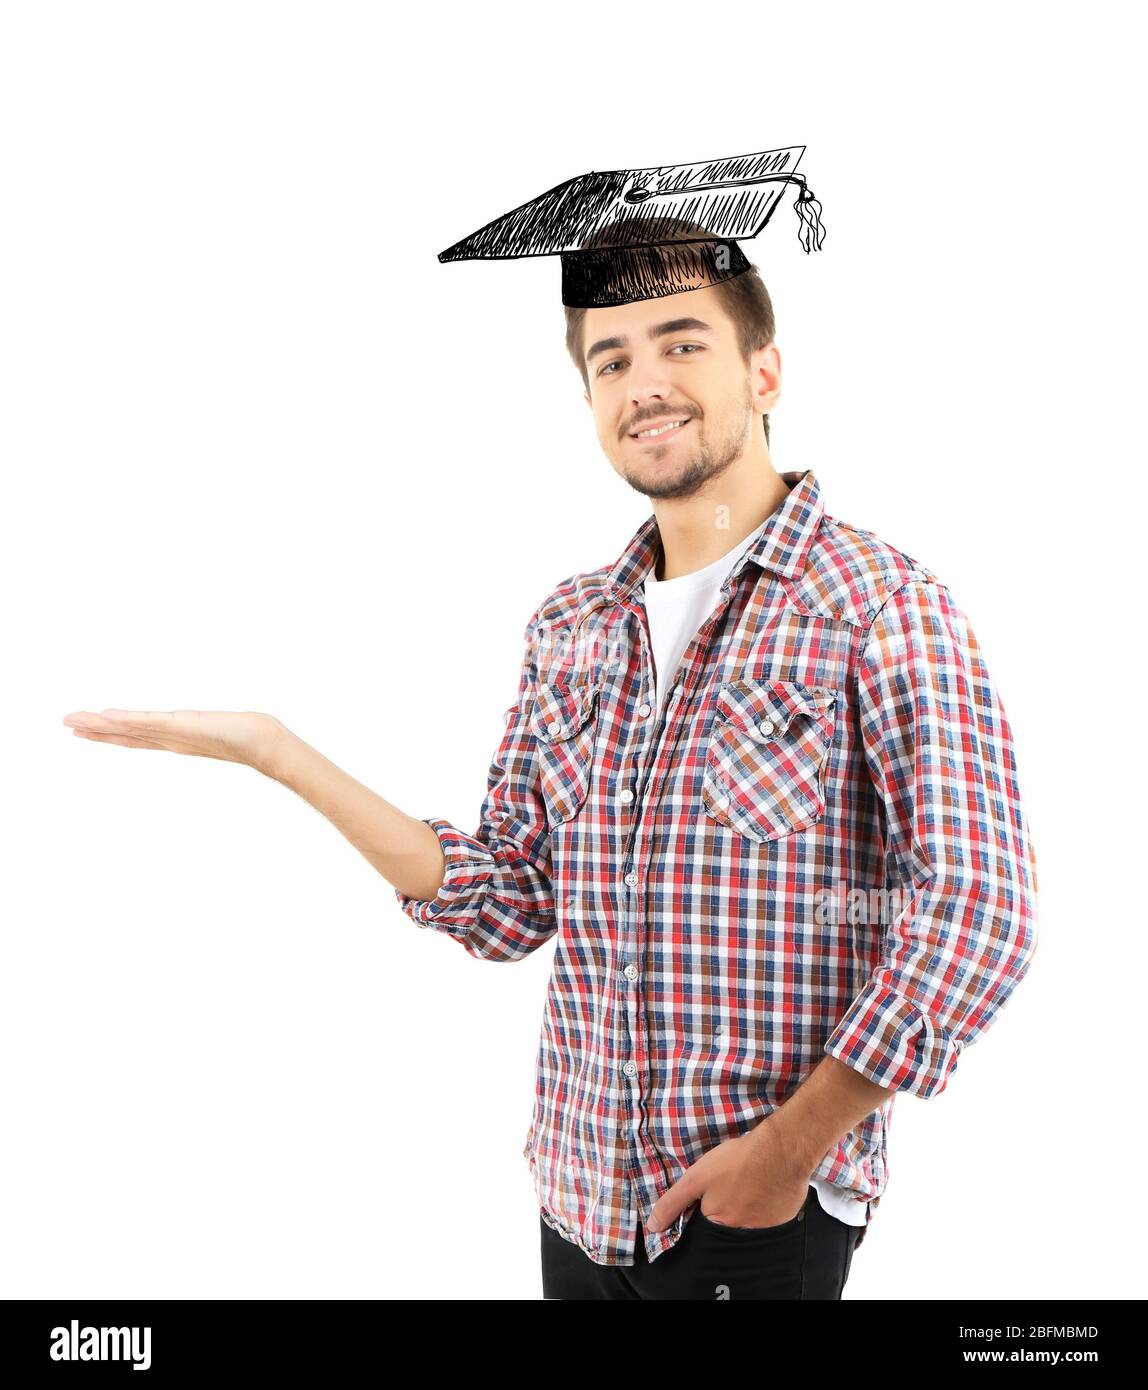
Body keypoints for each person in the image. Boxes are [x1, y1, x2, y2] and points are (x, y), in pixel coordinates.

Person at [63, 149, 1038, 1300]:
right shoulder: (571, 624)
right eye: (609, 359)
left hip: (746, 1216)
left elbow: (978, 908)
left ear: (763, 370)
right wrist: (280, 753)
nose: (644, 383)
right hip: (574, 1205)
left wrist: (784, 1155)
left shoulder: (880, 606)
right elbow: (512, 893)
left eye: (682, 342)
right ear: (587, 399)